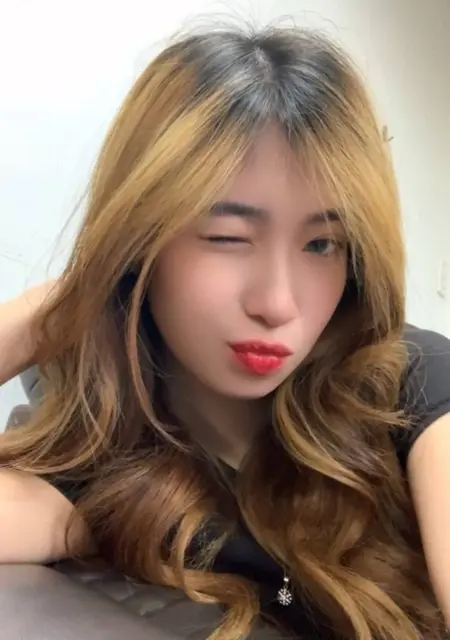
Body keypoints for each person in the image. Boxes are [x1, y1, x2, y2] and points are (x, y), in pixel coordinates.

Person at [1, 24, 450, 640]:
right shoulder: (99, 481)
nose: (277, 303)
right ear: (139, 244)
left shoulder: (413, 387)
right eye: (227, 238)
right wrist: (50, 311)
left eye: (322, 244)